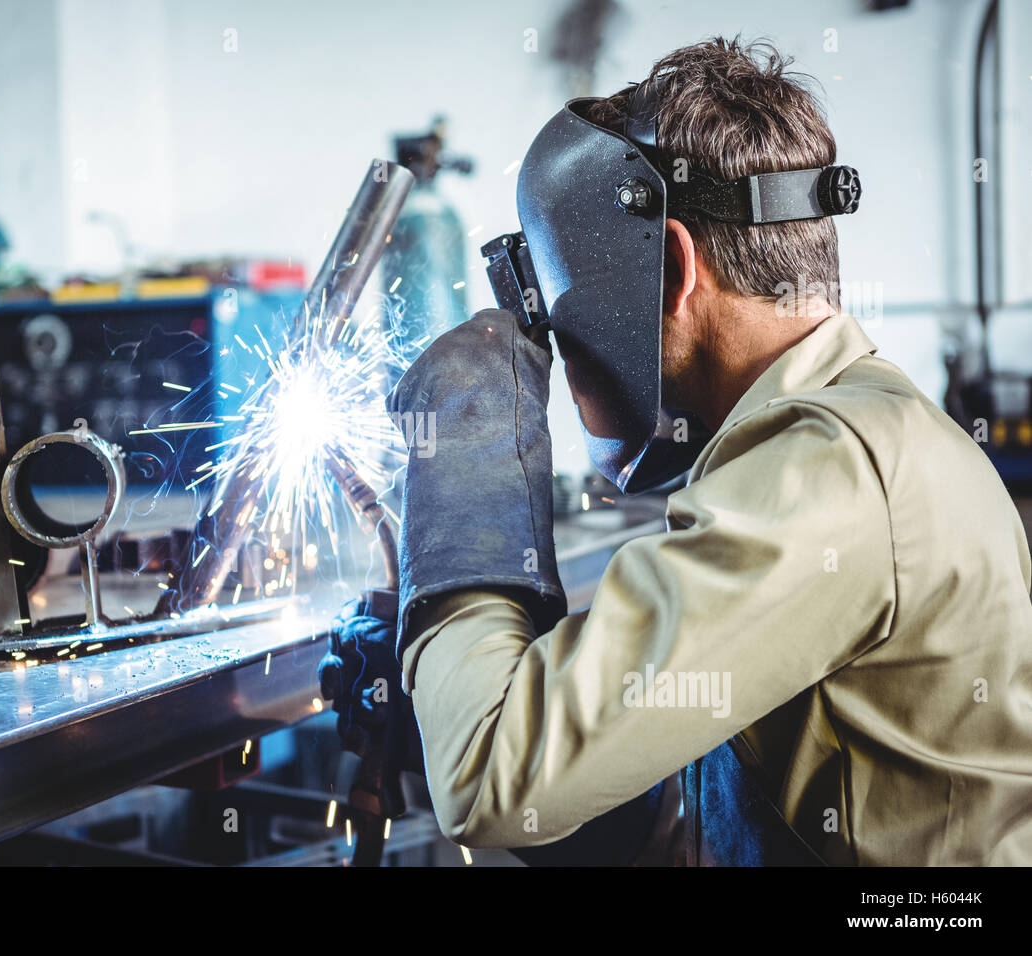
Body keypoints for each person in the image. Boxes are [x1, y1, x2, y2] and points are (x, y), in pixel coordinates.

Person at [321, 37, 1032, 866]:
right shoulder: (862, 431)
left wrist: (466, 464)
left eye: (561, 316)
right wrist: (472, 683)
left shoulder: (830, 470)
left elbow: (489, 785)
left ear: (669, 267)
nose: (563, 358)